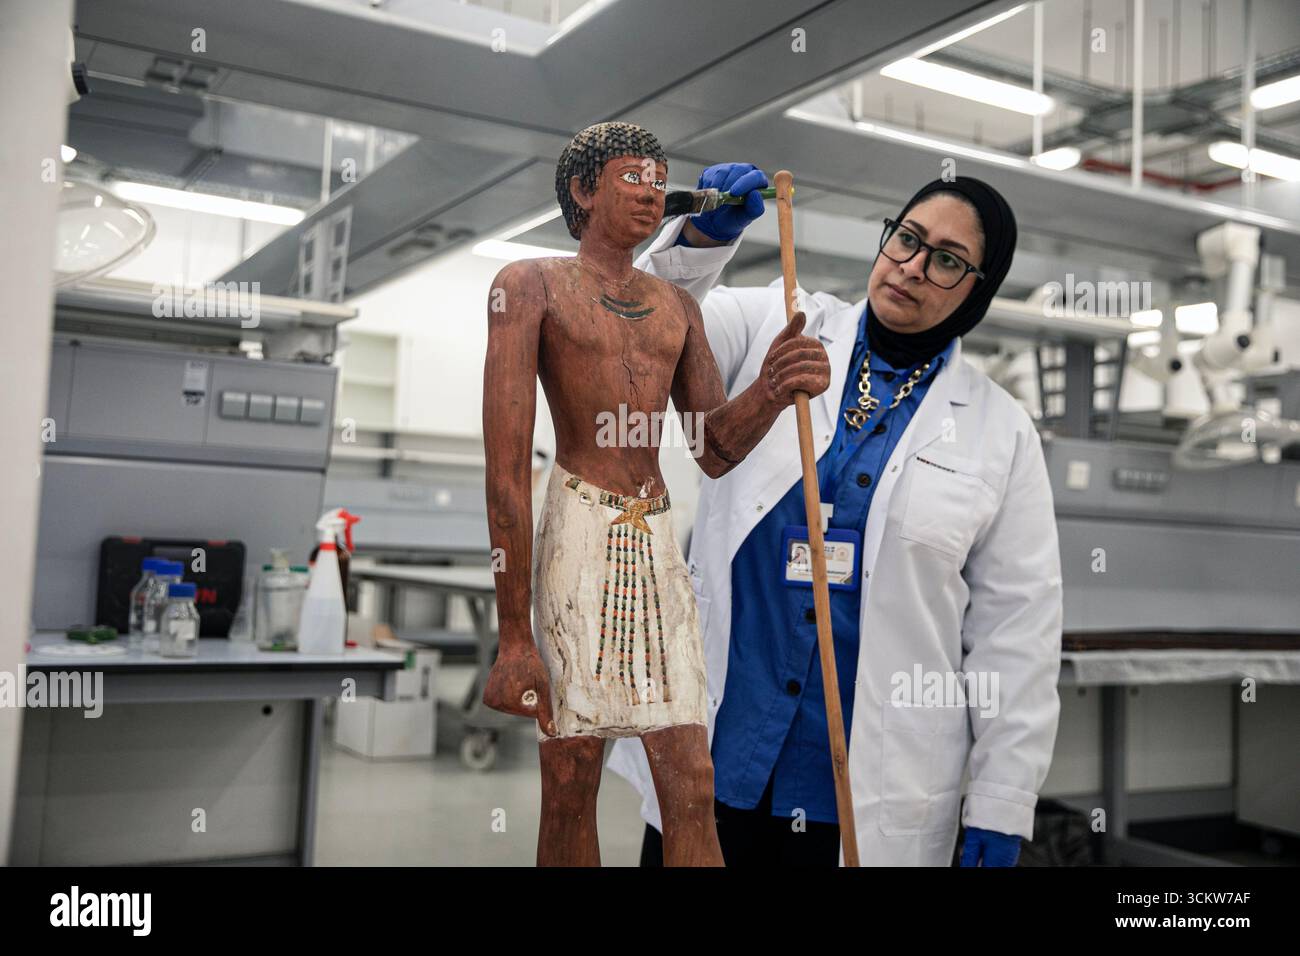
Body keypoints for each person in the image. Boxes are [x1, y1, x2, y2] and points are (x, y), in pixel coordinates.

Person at [608, 163, 1063, 867]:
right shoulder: (776, 321)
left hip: (865, 798)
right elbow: (644, 325)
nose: (911, 267)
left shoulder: (1000, 433)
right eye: (906, 239)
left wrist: (1003, 803)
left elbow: (1017, 633)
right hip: (711, 767)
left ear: (978, 289)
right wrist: (697, 238)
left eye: (946, 261)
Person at [480, 130, 831, 866]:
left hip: (656, 540)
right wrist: (514, 638)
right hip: (579, 528)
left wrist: (771, 388)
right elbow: (506, 468)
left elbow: (713, 448)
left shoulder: (676, 306)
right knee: (572, 775)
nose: (649, 190)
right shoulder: (530, 283)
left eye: (659, 178)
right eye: (632, 176)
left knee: (692, 776)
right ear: (583, 192)